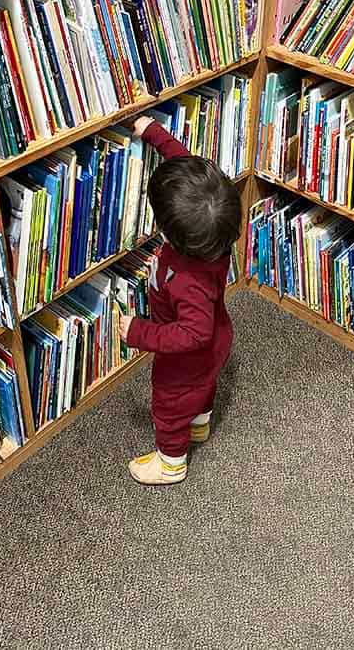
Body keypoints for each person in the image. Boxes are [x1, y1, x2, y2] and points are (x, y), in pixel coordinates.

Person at [119, 115, 242, 486]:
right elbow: (187, 171)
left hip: (188, 357)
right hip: (218, 339)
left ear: (169, 232)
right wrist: (154, 133)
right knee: (203, 388)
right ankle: (200, 425)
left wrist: (141, 333)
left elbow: (193, 333)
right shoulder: (211, 233)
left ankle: (171, 463)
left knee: (170, 405)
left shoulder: (188, 279)